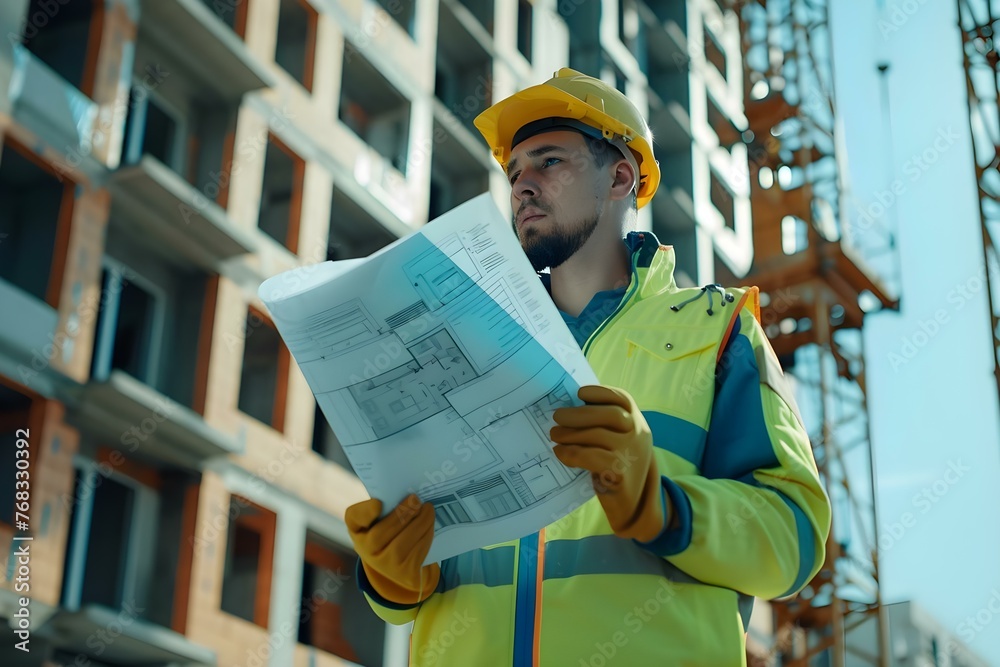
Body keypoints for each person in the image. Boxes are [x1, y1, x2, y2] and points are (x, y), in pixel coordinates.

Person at [346, 68, 832, 666]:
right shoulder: (470, 348)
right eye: (514, 172)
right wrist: (396, 578)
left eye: (549, 162)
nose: (523, 186)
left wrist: (662, 505)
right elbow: (434, 569)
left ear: (621, 177)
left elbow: (792, 537)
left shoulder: (716, 330)